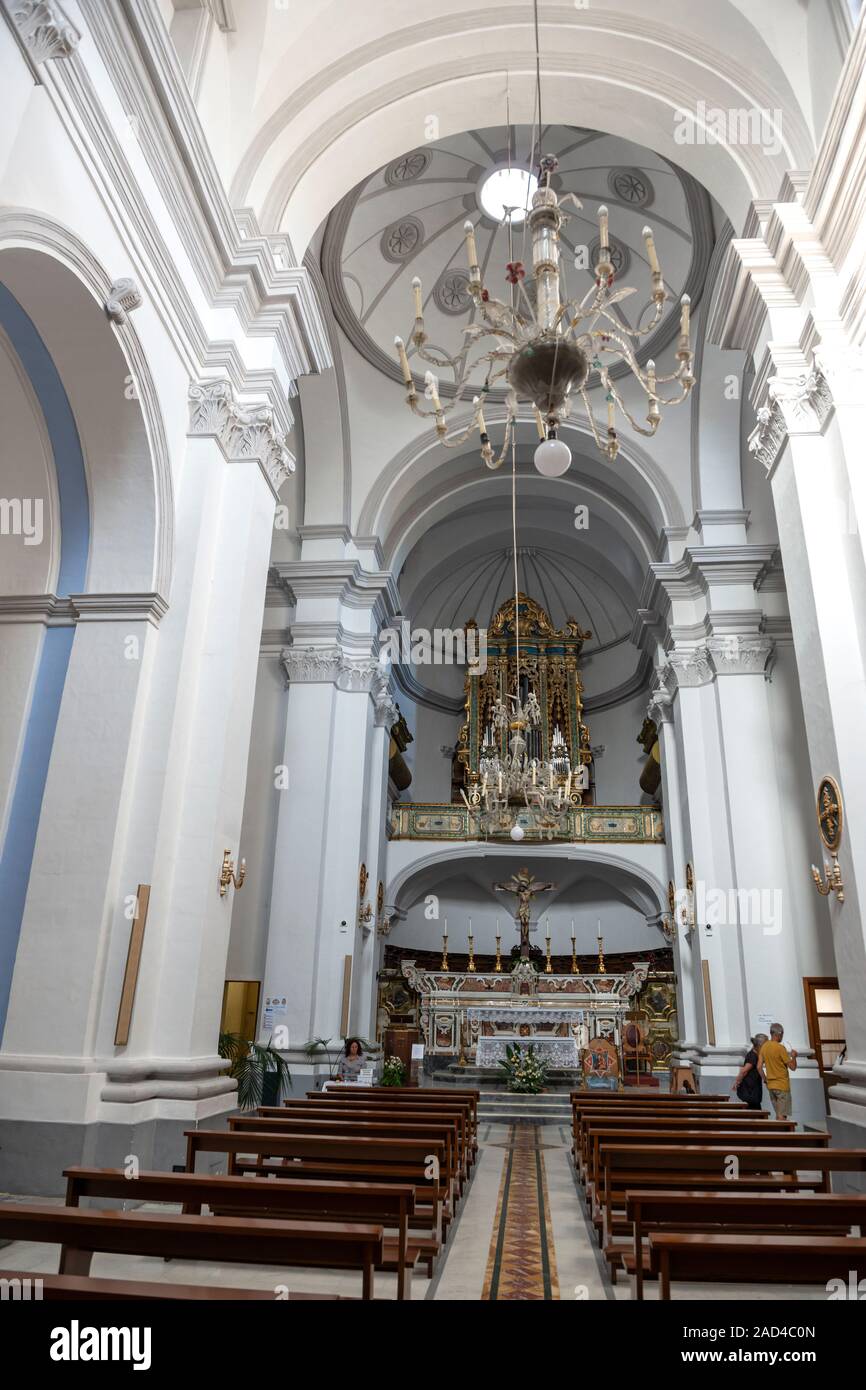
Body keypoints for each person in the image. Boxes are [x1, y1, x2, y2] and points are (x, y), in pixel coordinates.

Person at [759, 1023, 798, 1119]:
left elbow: (758, 1067)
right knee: (781, 1116)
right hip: (782, 1086)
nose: (782, 1036)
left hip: (771, 1086)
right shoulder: (780, 1048)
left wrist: (765, 1079)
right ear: (779, 1034)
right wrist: (794, 1057)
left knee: (778, 1114)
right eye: (782, 1034)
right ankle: (783, 1133)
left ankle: (779, 1132)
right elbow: (793, 1067)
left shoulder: (764, 1047)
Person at [732, 1033, 767, 1110]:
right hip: (750, 1091)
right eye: (765, 1046)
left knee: (757, 1113)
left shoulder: (754, 1055)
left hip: (751, 1091)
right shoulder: (753, 1056)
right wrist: (737, 1082)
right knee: (755, 1113)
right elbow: (743, 1071)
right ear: (760, 1046)